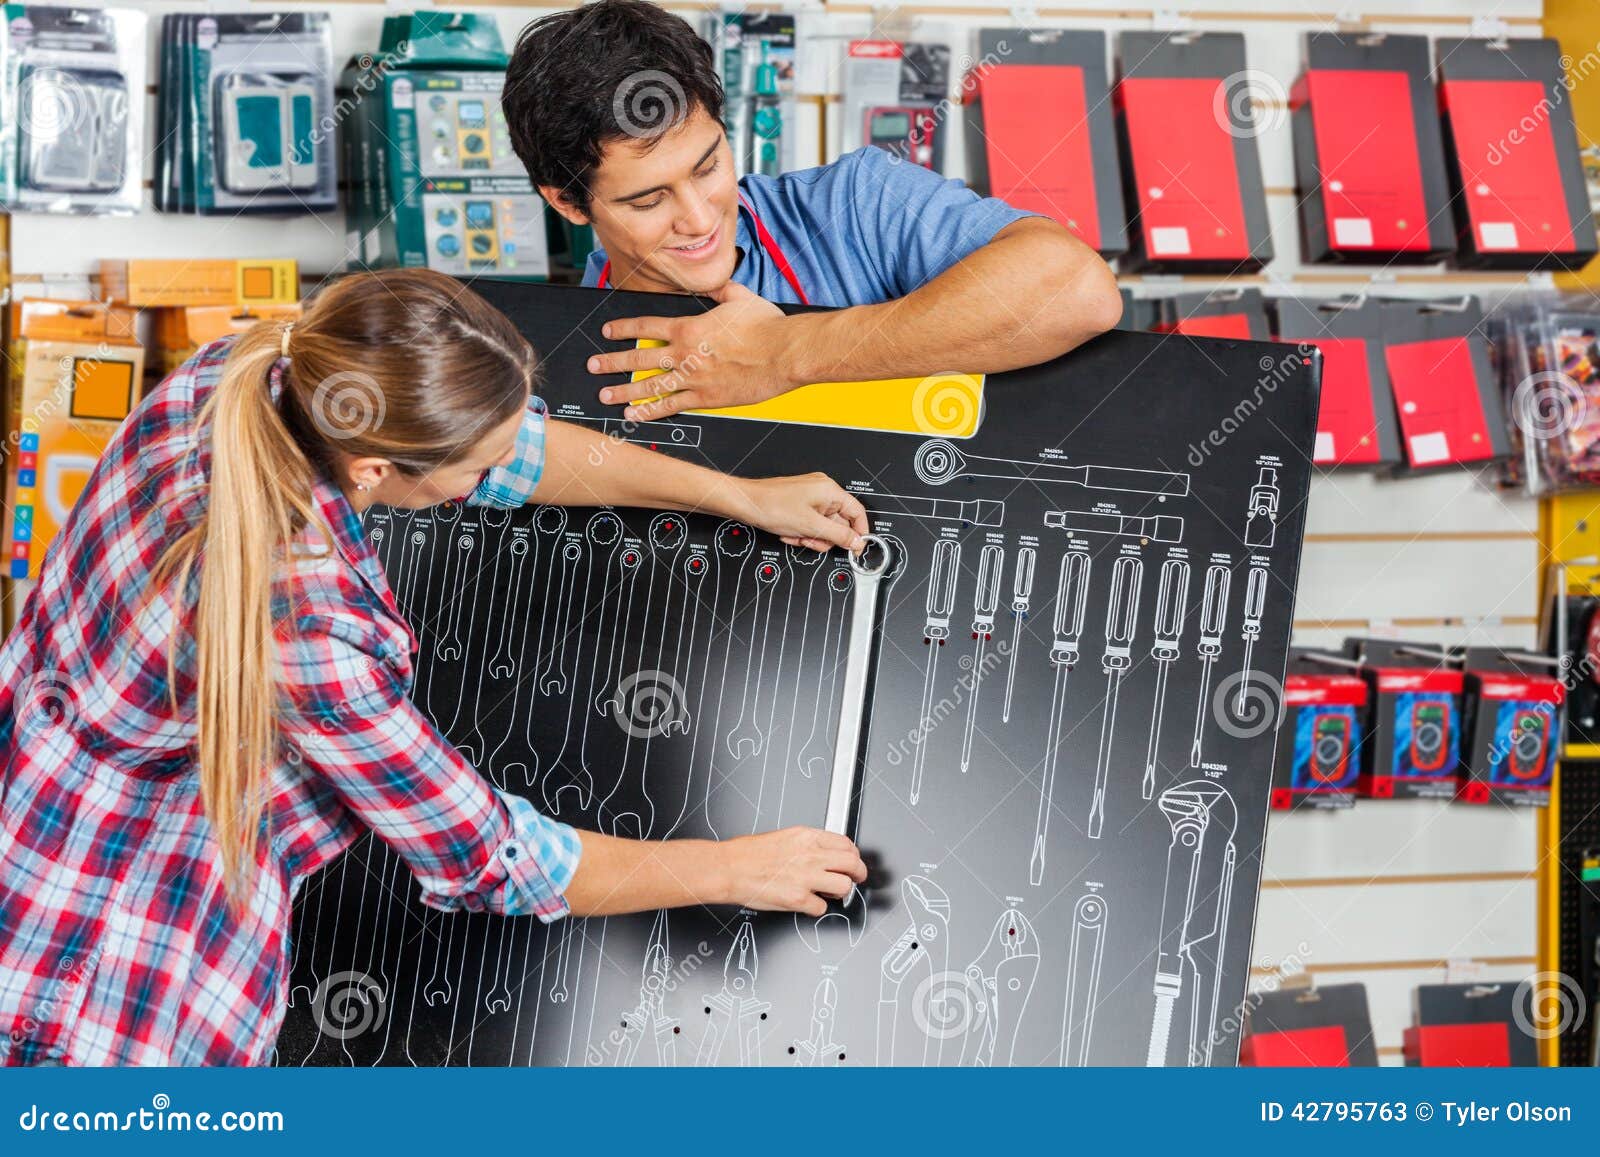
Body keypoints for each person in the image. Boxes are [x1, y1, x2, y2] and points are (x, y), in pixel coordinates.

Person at [0, 268, 870, 1067]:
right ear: (374, 467)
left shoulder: (249, 374)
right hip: (99, 967)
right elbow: (486, 854)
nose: (497, 468)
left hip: (36, 795)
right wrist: (733, 870)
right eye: (474, 468)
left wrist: (735, 493)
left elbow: (509, 451)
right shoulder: (309, 626)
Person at [502, 0, 1123, 423]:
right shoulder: (563, 355)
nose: (698, 218)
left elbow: (1076, 291)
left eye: (708, 166)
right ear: (567, 201)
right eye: (647, 199)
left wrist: (784, 352)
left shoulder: (856, 205)